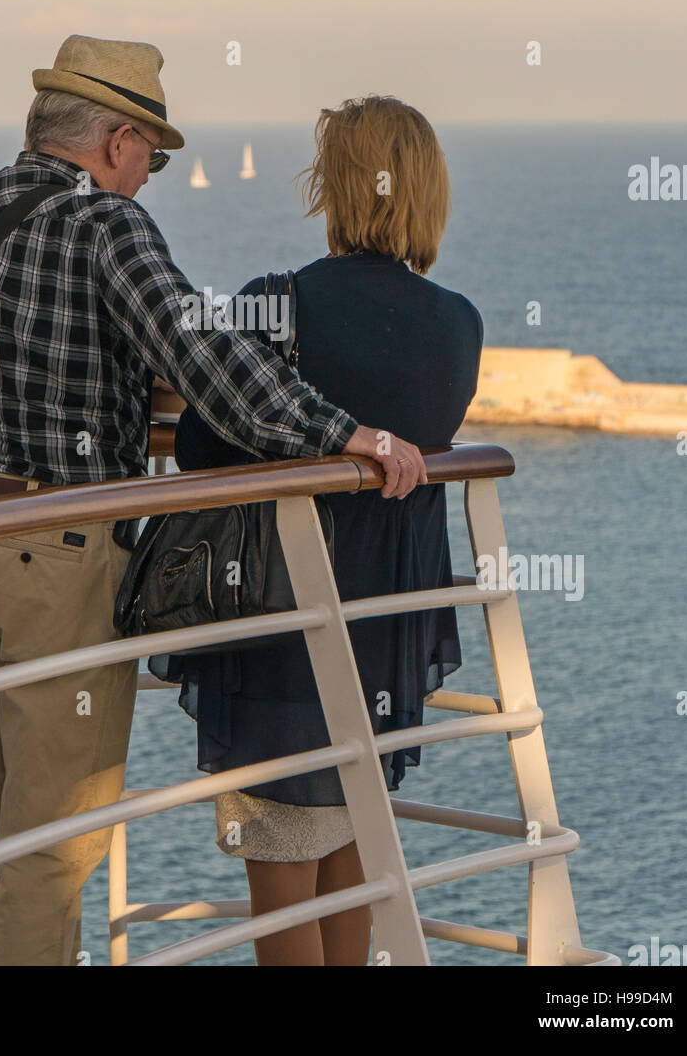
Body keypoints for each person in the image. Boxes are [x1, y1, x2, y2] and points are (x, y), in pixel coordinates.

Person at [0, 36, 426, 966]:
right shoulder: (106, 225)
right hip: (50, 548)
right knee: (47, 852)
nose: (151, 175)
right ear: (115, 139)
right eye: (153, 153)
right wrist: (349, 436)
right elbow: (210, 363)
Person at [149, 95, 484, 967]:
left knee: (278, 870)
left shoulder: (276, 305)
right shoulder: (458, 325)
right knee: (349, 846)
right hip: (386, 623)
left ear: (333, 189)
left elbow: (197, 445)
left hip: (283, 615)